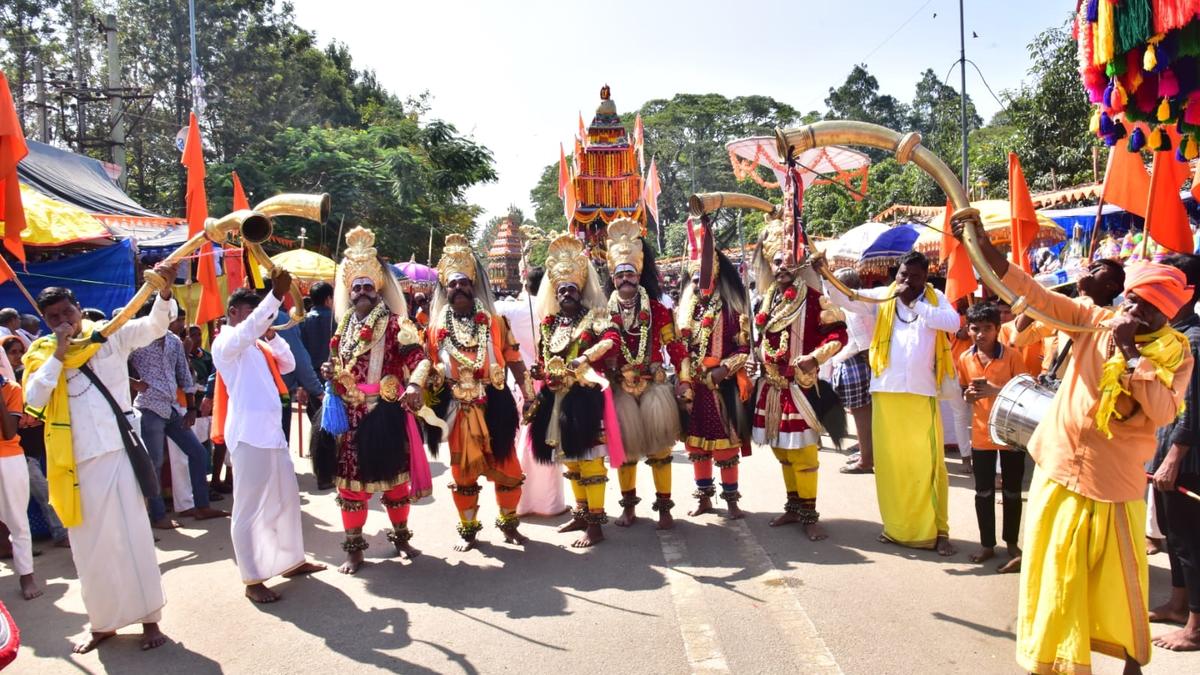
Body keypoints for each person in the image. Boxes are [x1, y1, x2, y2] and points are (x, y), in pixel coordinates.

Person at [953, 213, 1194, 675]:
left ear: (1167, 315)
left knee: (1120, 584)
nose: (1131, 312)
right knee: (1055, 577)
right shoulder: (1094, 320)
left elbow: (1163, 411)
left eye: (1145, 308)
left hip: (1114, 486)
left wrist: (1131, 355)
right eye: (1131, 301)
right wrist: (981, 246)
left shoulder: (1176, 354)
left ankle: (1131, 662)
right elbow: (1035, 295)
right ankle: (1054, 663)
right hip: (1059, 468)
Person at [23, 264, 178, 653]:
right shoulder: (41, 355)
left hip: (119, 454)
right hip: (74, 465)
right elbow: (34, 401)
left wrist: (164, 293)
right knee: (89, 549)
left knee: (133, 538)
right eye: (53, 317)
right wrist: (59, 355)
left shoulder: (109, 336)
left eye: (67, 312)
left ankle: (149, 620)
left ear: (78, 308)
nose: (63, 320)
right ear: (45, 322)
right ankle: (103, 623)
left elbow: (155, 327)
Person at [817, 250, 960, 556]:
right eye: (903, 275)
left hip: (921, 394)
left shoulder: (934, 299)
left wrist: (916, 304)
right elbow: (847, 299)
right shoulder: (884, 296)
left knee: (927, 466)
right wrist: (825, 275)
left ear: (925, 278)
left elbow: (953, 323)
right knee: (892, 467)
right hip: (885, 391)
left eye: (914, 277)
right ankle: (897, 529)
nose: (906, 281)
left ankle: (939, 531)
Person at [316, 227, 429, 573]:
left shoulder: (396, 324)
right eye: (357, 287)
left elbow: (421, 360)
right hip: (348, 418)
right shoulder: (343, 328)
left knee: (395, 485)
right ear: (349, 293)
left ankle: (402, 539)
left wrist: (415, 385)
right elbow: (339, 364)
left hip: (384, 415)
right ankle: (354, 550)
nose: (362, 292)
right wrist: (329, 371)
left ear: (378, 289)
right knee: (350, 489)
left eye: (368, 286)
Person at [212, 272, 326, 603]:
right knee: (248, 509)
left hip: (272, 435)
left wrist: (273, 334)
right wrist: (274, 297)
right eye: (250, 313)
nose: (258, 320)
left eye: (258, 313)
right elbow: (249, 329)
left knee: (286, 500)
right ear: (233, 313)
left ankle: (292, 560)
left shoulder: (259, 343)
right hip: (248, 437)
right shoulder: (225, 343)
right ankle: (252, 579)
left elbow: (288, 363)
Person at [424, 234, 530, 550]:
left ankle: (509, 525)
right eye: (452, 284)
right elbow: (426, 366)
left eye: (463, 283)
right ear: (445, 290)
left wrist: (530, 395)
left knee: (509, 467)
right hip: (458, 409)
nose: (458, 288)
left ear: (473, 285)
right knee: (463, 474)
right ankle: (469, 531)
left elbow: (514, 359)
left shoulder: (495, 322)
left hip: (495, 402)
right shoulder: (435, 329)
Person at [749, 217, 845, 540]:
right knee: (783, 452)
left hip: (799, 388)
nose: (782, 267)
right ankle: (793, 506)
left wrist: (815, 358)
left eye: (788, 261)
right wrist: (753, 358)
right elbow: (760, 339)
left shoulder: (813, 297)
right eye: (777, 261)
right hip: (771, 388)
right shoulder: (766, 300)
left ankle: (809, 514)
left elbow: (839, 334)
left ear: (799, 263)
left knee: (804, 454)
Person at [529, 233, 619, 548]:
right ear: (555, 293)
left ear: (580, 290)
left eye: (572, 288)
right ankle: (580, 513)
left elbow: (611, 339)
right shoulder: (549, 323)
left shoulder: (594, 317)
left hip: (584, 397)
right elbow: (543, 357)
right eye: (562, 289)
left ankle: (595, 524)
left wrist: (585, 358)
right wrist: (540, 372)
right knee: (570, 459)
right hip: (556, 399)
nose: (567, 293)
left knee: (591, 460)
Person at [603, 219, 685, 530]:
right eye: (620, 274)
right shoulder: (603, 313)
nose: (625, 279)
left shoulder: (658, 310)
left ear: (639, 276)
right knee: (625, 454)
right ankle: (628, 509)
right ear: (613, 279)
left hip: (654, 387)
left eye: (630, 274)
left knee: (661, 452)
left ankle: (665, 509)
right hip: (620, 388)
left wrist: (684, 380)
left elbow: (675, 347)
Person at [675, 218, 752, 520]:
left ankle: (732, 500)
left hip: (723, 386)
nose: (699, 285)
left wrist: (724, 370)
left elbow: (745, 349)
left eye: (704, 279)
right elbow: (681, 350)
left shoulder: (733, 309)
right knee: (696, 447)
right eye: (694, 280)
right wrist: (683, 380)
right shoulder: (686, 311)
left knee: (726, 448)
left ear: (716, 279)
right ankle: (704, 498)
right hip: (694, 387)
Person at [129, 305, 228, 528]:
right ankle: (158, 515)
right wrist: (133, 383)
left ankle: (201, 506)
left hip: (172, 408)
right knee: (154, 462)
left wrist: (191, 408)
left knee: (198, 453)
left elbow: (184, 373)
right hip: (148, 408)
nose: (174, 320)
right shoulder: (135, 340)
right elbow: (114, 367)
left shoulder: (173, 340)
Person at [1148, 252, 1200, 652]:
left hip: (1185, 458)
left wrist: (1172, 459)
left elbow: (1192, 407)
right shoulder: (1172, 333)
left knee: (1189, 541)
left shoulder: (1192, 339)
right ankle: (1178, 604)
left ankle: (1195, 628)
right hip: (1165, 449)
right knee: (1173, 535)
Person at [957, 301, 1027, 573]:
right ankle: (987, 544)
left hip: (1011, 434)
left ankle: (1012, 543)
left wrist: (995, 390)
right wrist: (968, 396)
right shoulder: (965, 358)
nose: (981, 334)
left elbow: (1024, 394)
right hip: (981, 434)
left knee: (1012, 492)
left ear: (998, 329)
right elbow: (965, 392)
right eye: (975, 328)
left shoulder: (1013, 356)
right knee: (983, 492)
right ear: (968, 329)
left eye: (987, 328)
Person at [499, 267, 569, 518]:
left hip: (517, 384)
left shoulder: (510, 310)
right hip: (545, 384)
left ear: (525, 284)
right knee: (545, 442)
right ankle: (548, 503)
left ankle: (518, 502)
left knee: (518, 441)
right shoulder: (555, 312)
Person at [1, 335, 68, 549]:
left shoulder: (30, 376)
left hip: (42, 444)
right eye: (12, 352)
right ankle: (60, 534)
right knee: (42, 492)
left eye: (21, 351)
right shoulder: (8, 386)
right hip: (20, 451)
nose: (18, 356)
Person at [0, 369, 41, 599]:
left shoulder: (12, 389)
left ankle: (27, 576)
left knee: (17, 521)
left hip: (8, 460)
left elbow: (9, 432)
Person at [831, 268, 876, 475]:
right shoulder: (859, 305)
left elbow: (863, 344)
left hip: (856, 364)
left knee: (862, 416)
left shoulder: (853, 309)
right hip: (858, 363)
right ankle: (866, 454)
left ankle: (866, 460)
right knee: (864, 415)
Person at [301, 281, 334, 379]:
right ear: (328, 299)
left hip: (308, 374)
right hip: (331, 373)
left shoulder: (303, 321)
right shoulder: (337, 319)